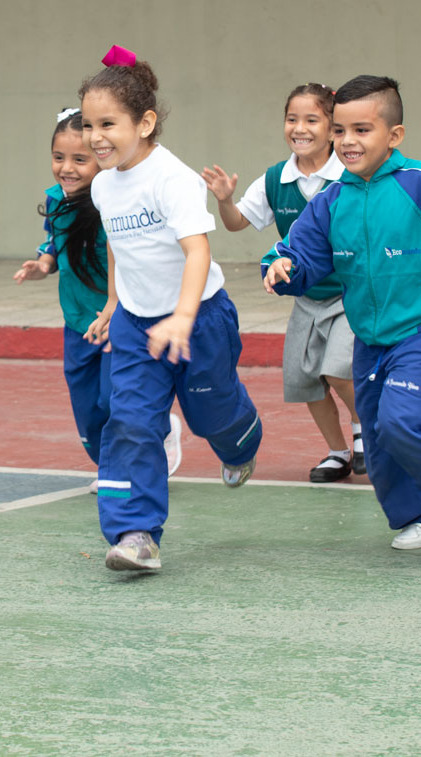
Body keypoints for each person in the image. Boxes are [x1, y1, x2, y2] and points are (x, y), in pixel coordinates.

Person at [262, 75, 421, 555]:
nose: (347, 141)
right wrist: (282, 268)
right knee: (376, 437)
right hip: (371, 337)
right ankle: (417, 517)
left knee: (404, 421)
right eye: (340, 130)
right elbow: (299, 255)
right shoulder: (332, 199)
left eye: (362, 130)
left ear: (394, 135)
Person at [80, 45, 262, 572]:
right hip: (137, 326)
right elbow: (119, 246)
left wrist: (182, 316)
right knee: (131, 421)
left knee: (211, 414)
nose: (95, 137)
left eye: (107, 124)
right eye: (89, 125)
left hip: (200, 318)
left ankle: (241, 442)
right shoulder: (103, 185)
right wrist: (114, 302)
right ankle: (135, 534)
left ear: (144, 123)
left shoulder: (172, 178)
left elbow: (197, 251)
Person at [14, 107, 182, 492]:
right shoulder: (56, 200)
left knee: (115, 400)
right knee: (88, 410)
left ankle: (131, 461)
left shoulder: (115, 201)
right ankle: (113, 461)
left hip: (120, 317)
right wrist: (44, 263)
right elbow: (55, 239)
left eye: (79, 159)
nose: (66, 168)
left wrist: (122, 307)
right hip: (77, 321)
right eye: (58, 157)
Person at [203, 83, 364, 483]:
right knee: (305, 380)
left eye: (312, 120)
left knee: (339, 369)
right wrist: (225, 200)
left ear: (332, 129)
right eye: (292, 119)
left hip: (350, 294)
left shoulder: (351, 175)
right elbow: (237, 223)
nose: (300, 128)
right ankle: (338, 453)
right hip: (307, 297)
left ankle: (365, 429)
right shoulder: (276, 178)